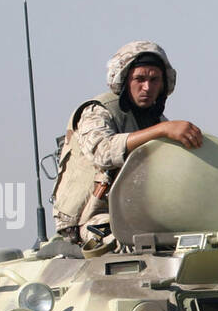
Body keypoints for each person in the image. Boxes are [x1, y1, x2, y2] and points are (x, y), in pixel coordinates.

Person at [52, 40, 203, 243]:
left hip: (139, 216)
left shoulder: (159, 123)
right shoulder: (98, 110)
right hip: (89, 218)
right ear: (124, 79)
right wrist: (162, 130)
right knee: (123, 247)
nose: (147, 87)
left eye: (154, 79)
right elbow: (102, 153)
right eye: (139, 78)